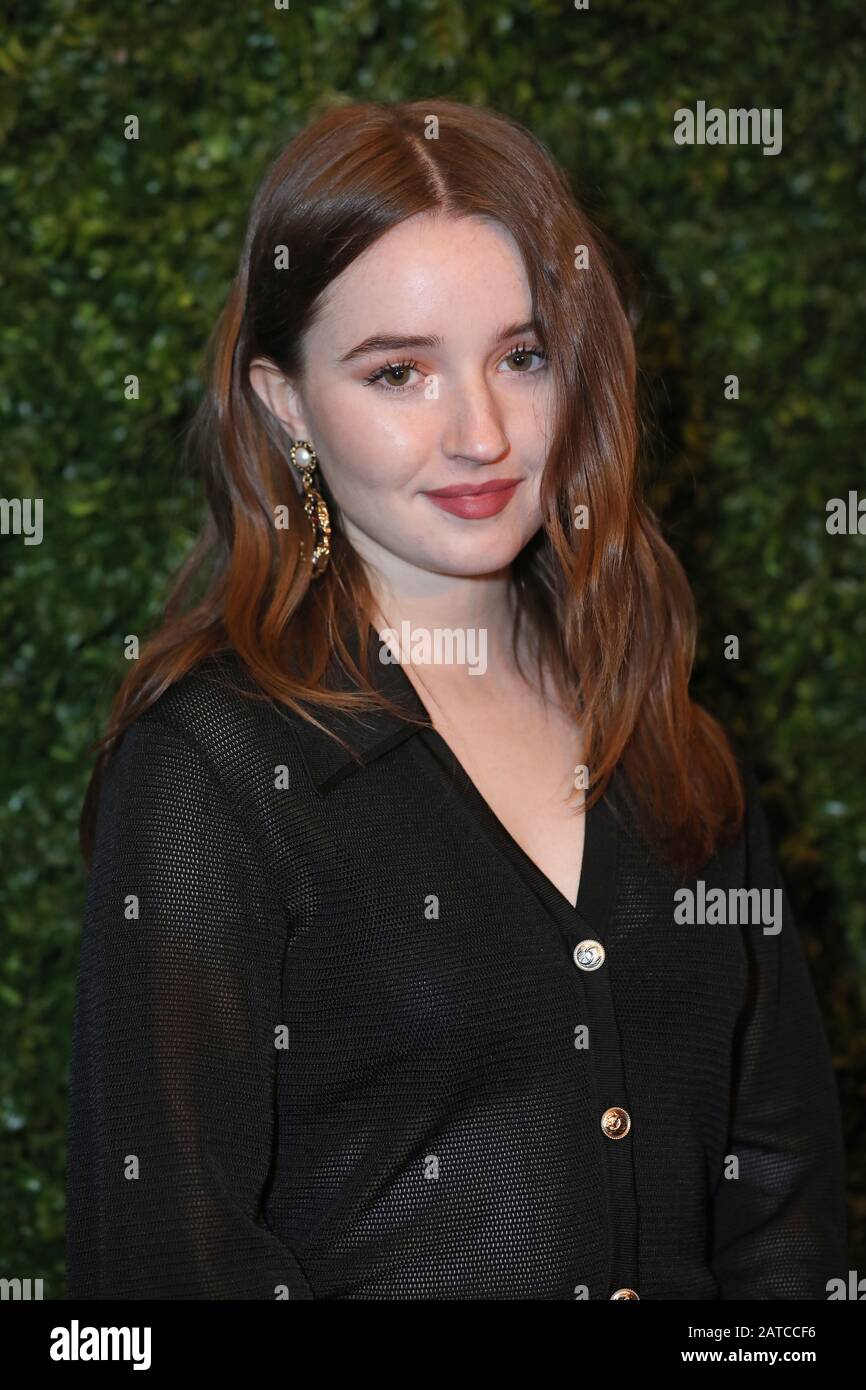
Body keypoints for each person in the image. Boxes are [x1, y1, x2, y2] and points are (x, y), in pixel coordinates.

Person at [66, 98, 847, 1300]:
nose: (480, 432)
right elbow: (167, 1261)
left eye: (520, 357)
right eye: (398, 373)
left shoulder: (666, 736)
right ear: (285, 405)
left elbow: (781, 1198)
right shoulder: (210, 769)